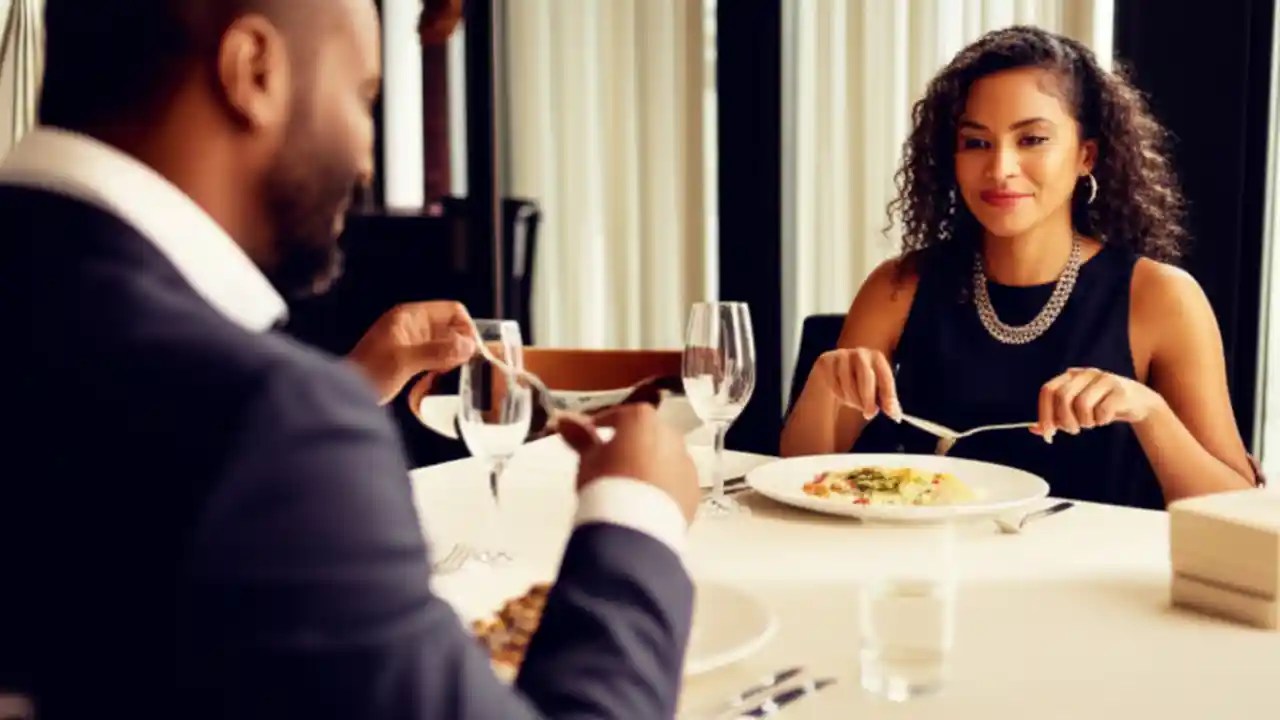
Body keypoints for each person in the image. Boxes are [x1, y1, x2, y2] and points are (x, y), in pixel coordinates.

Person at [0, 1, 700, 718]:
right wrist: (635, 516)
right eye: (363, 97)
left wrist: (342, 389)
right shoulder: (271, 428)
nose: (366, 157)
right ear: (254, 71)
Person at [781, 26, 1258, 509]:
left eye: (1032, 139)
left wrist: (1150, 411)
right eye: (976, 143)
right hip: (933, 575)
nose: (1000, 168)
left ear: (1085, 156)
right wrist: (826, 382)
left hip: (1100, 581)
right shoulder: (899, 286)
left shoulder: (1160, 297)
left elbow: (1237, 509)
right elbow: (798, 473)